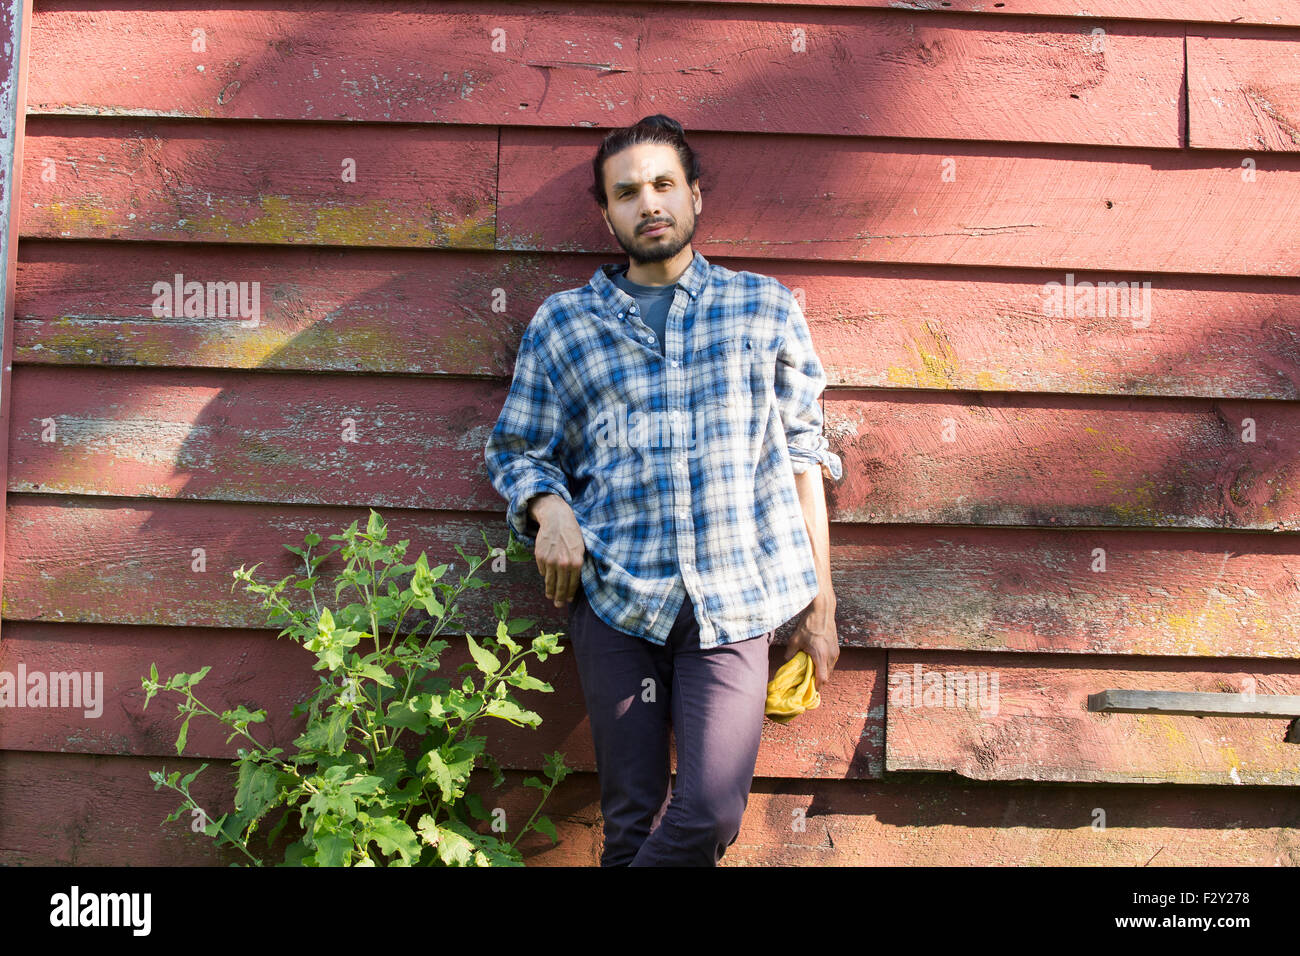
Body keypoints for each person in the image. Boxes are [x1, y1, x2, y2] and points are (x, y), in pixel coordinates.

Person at [484, 114, 843, 866]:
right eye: (627, 193)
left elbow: (804, 456)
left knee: (709, 810)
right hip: (617, 599)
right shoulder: (565, 325)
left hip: (736, 597)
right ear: (605, 213)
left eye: (663, 185)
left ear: (695, 197)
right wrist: (549, 511)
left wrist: (822, 603)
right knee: (631, 819)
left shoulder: (764, 308)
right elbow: (519, 450)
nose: (648, 203)